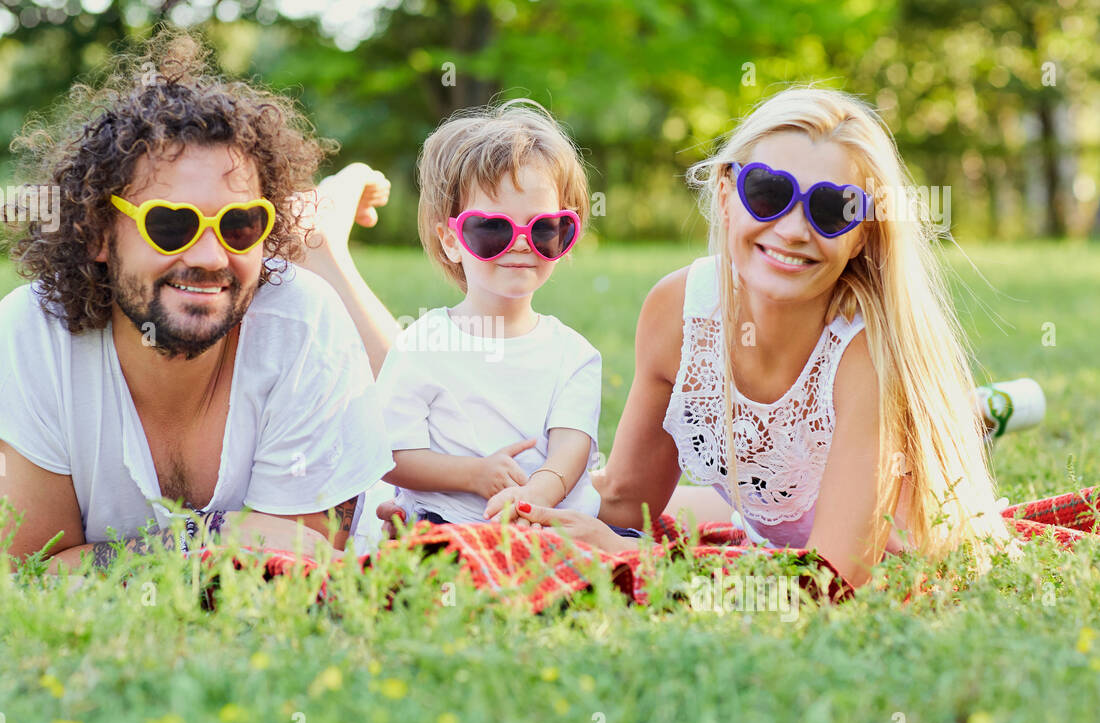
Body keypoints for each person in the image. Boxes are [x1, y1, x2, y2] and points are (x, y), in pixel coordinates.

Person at [356, 87, 1012, 592]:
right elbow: (625, 506)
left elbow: (827, 587)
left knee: (928, 430)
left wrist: (627, 557)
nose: (791, 229)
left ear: (865, 232)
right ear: (725, 194)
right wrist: (541, 520)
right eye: (768, 192)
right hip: (765, 527)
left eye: (832, 208)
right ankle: (976, 410)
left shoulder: (866, 352)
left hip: (873, 550)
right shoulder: (679, 309)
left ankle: (960, 418)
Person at [0, 31, 395, 569]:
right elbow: (37, 570)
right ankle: (315, 235)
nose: (209, 255)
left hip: (414, 461)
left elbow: (300, 561)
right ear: (97, 233)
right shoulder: (29, 336)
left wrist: (113, 560)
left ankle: (318, 240)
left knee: (420, 391)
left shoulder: (304, 320)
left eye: (241, 224)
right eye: (170, 224)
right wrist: (225, 533)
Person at [375, 102, 603, 527]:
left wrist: (535, 496)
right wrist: (474, 475)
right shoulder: (424, 344)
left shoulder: (573, 355)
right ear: (451, 240)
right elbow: (388, 454)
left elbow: (570, 449)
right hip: (449, 521)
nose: (520, 245)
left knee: (630, 557)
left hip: (550, 526)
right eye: (493, 229)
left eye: (542, 229)